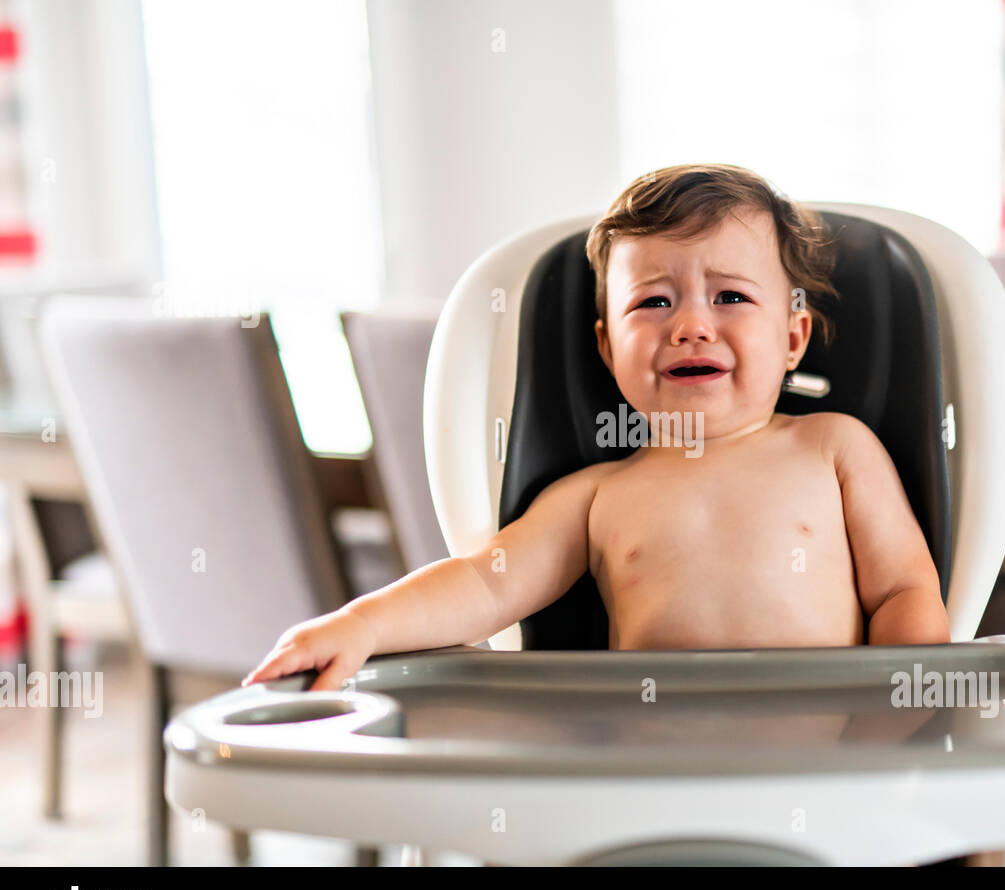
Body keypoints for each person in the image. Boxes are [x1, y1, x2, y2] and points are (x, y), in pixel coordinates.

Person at [244, 163, 949, 692]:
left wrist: (897, 713)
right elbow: (483, 588)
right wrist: (363, 625)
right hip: (646, 772)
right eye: (653, 302)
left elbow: (904, 592)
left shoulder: (835, 449)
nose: (692, 326)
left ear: (793, 339)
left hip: (827, 763)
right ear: (609, 349)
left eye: (730, 296)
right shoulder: (596, 497)